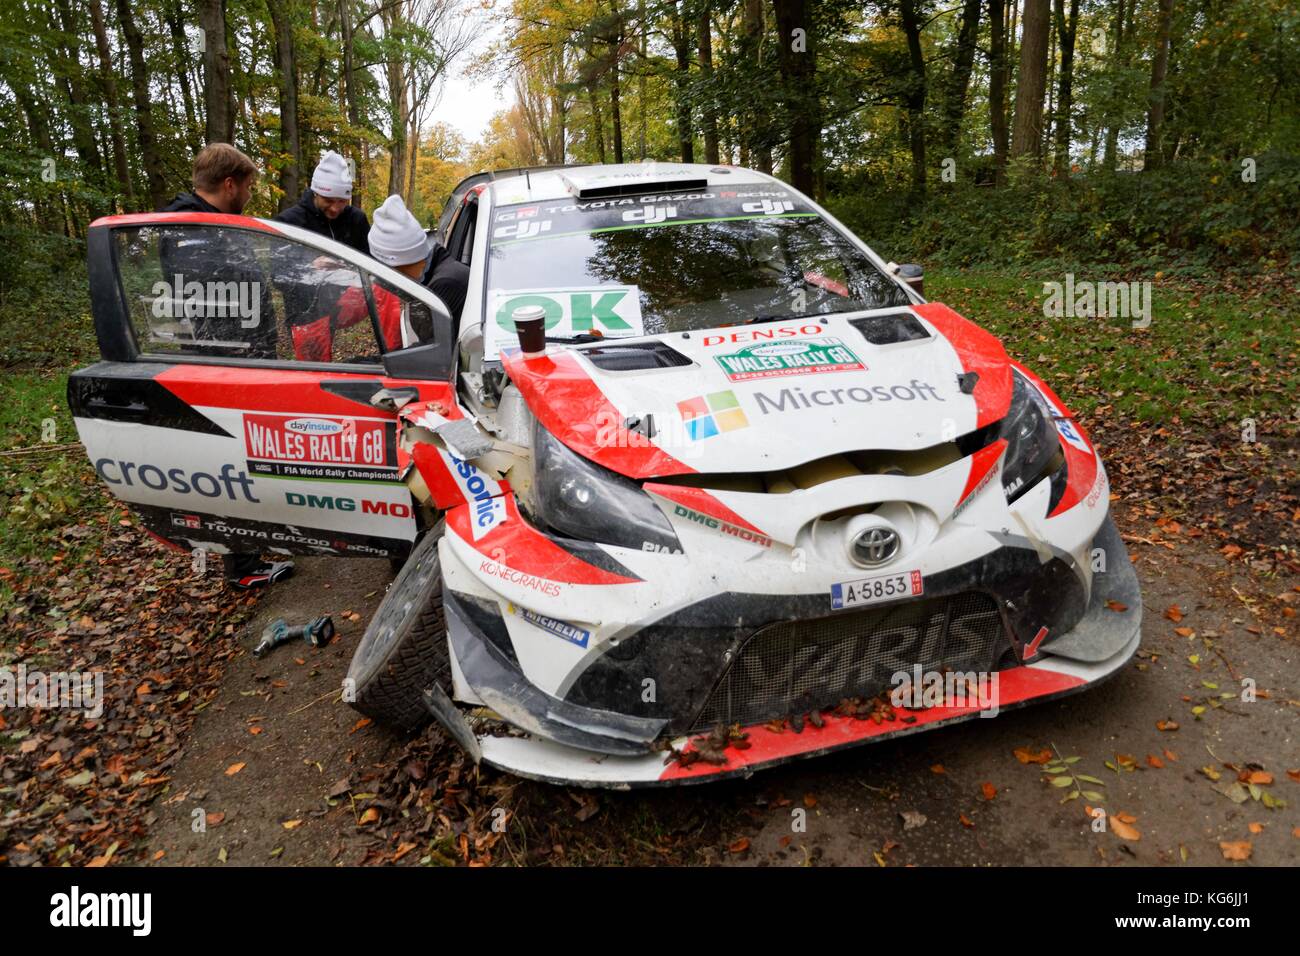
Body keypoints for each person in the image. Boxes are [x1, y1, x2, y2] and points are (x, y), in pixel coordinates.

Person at [161, 143, 292, 592]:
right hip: (225, 364)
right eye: (249, 185)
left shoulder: (207, 224)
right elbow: (212, 306)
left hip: (238, 359)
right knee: (235, 462)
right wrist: (244, 359)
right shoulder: (190, 230)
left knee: (247, 457)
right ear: (230, 184)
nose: (251, 194)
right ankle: (243, 566)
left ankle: (254, 547)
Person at [369, 194, 470, 324]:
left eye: (386, 269)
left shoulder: (444, 285)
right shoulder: (437, 274)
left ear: (398, 265)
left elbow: (430, 341)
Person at [272, 150, 370, 254]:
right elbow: (277, 263)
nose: (335, 208)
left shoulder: (357, 220)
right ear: (315, 193)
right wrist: (310, 263)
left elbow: (371, 262)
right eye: (328, 200)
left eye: (342, 201)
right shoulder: (289, 221)